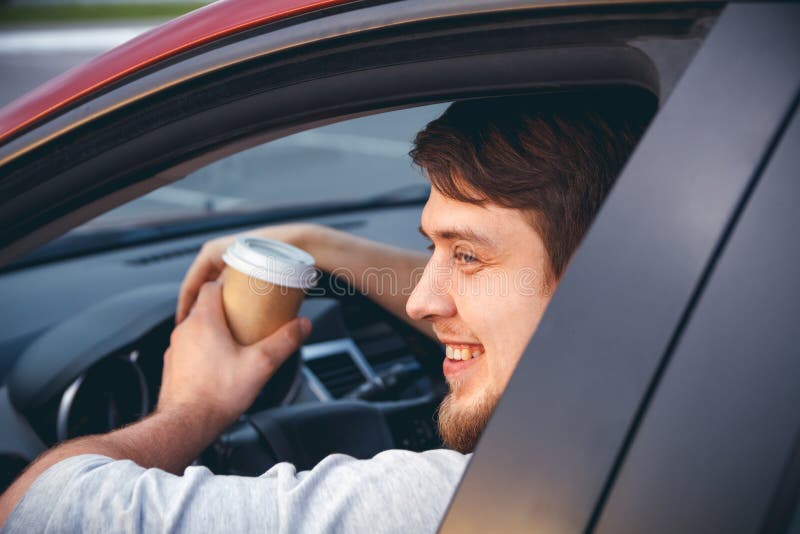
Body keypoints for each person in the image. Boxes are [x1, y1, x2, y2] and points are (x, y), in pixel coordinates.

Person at [0, 90, 653, 532]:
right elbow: (520, 294)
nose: (425, 303)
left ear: (597, 278)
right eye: (432, 247)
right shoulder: (670, 417)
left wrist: (191, 408)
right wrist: (315, 247)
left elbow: (36, 513)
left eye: (468, 257)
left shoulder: (471, 499)